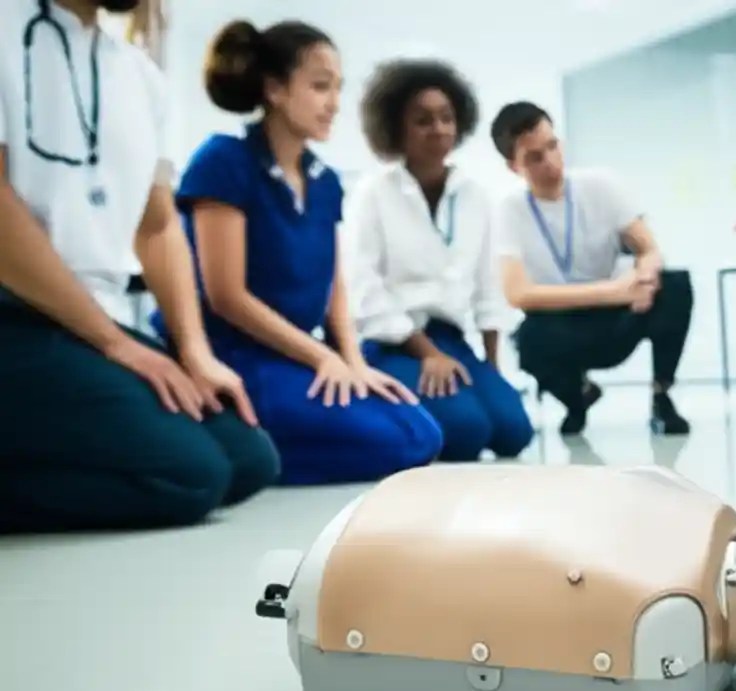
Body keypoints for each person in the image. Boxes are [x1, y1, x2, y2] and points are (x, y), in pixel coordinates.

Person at [0, 0, 278, 532]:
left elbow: (159, 226)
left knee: (248, 461)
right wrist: (115, 343)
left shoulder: (139, 75)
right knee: (189, 476)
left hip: (89, 326)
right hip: (17, 316)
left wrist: (194, 351)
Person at [158, 20, 444, 486]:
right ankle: (230, 447)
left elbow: (334, 285)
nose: (334, 103)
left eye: (337, 88)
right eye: (319, 86)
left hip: (293, 353)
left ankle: (248, 445)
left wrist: (352, 360)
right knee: (396, 443)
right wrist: (320, 358)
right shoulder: (224, 161)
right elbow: (226, 296)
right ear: (274, 89)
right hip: (233, 354)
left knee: (422, 431)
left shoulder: (325, 180)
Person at [345, 59, 534, 461]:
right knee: (466, 431)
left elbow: (487, 287)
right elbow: (365, 289)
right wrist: (426, 353)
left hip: (451, 341)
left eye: (447, 118)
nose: (440, 129)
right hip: (393, 342)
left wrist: (492, 369)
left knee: (514, 430)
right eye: (424, 120)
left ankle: (471, 395)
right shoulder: (373, 193)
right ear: (397, 128)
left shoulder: (475, 196)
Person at [489, 101, 693, 436]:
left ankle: (662, 395)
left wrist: (646, 276)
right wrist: (613, 292)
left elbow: (649, 249)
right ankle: (577, 396)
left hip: (616, 318)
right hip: (563, 323)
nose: (551, 162)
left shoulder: (600, 186)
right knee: (527, 342)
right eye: (534, 157)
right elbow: (517, 294)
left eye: (552, 146)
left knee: (675, 286)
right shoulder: (509, 212)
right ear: (513, 166)